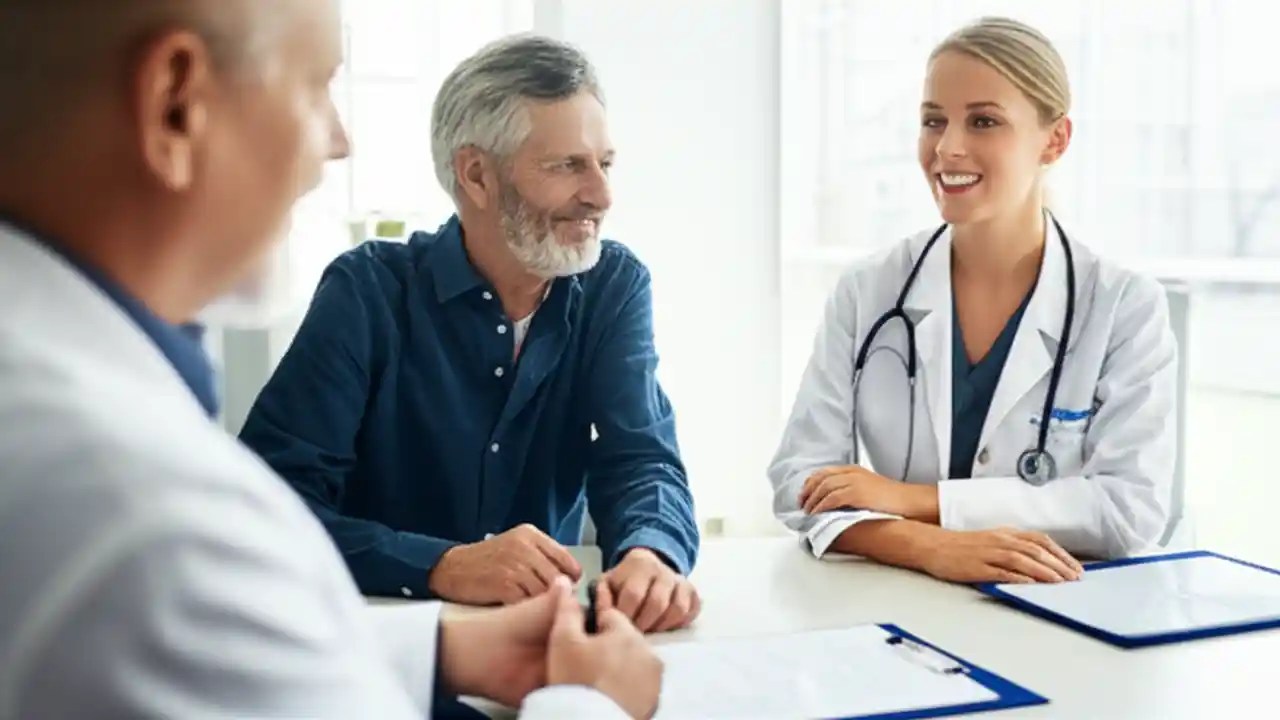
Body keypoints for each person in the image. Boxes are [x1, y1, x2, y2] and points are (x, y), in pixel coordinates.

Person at [0, 1, 661, 717]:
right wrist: (594, 706)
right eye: (315, 86)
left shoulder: (64, 409)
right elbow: (223, 606)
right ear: (177, 106)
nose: (338, 142)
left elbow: (233, 652)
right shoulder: (145, 509)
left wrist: (438, 653)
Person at [237, 34, 701, 632]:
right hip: (380, 642)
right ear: (476, 175)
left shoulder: (613, 286)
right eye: (566, 166)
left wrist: (650, 553)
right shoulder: (368, 292)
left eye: (604, 163)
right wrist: (440, 564)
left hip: (541, 638)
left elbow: (641, 459)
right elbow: (272, 507)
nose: (601, 195)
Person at [769, 16, 1178, 584]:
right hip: (896, 600)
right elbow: (800, 481)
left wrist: (916, 501)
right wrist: (929, 548)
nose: (948, 147)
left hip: (1057, 612)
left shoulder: (1123, 307)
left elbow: (1129, 511)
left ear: (1054, 140)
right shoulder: (868, 291)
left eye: (983, 121)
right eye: (933, 121)